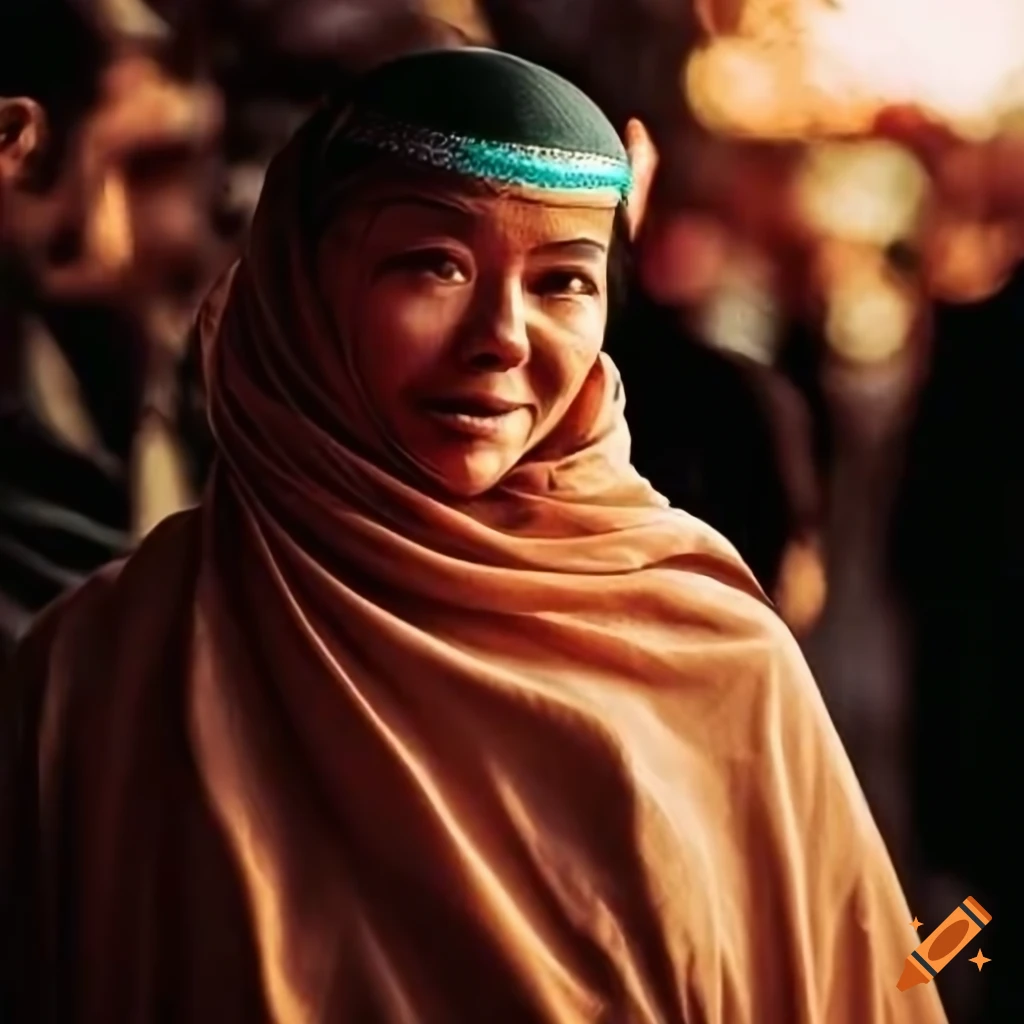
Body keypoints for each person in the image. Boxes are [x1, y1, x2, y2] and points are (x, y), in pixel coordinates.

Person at [1, 48, 947, 1023]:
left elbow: (876, 985)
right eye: (435, 263)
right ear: (302, 287)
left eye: (563, 282)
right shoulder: (101, 671)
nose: (503, 334)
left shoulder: (716, 661)